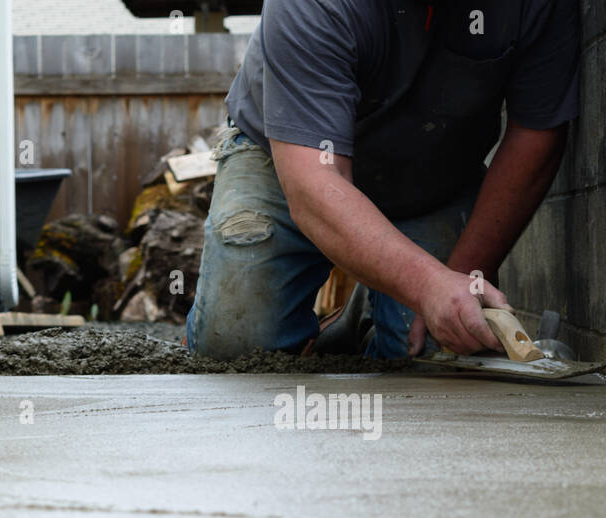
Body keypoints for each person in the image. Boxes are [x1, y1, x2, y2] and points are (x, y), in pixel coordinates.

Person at [186, 0, 580, 360]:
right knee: (237, 347)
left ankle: (360, 321)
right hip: (287, 157)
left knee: (445, 350)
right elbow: (314, 183)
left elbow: (535, 132)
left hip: (432, 176)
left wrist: (456, 285)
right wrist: (426, 284)